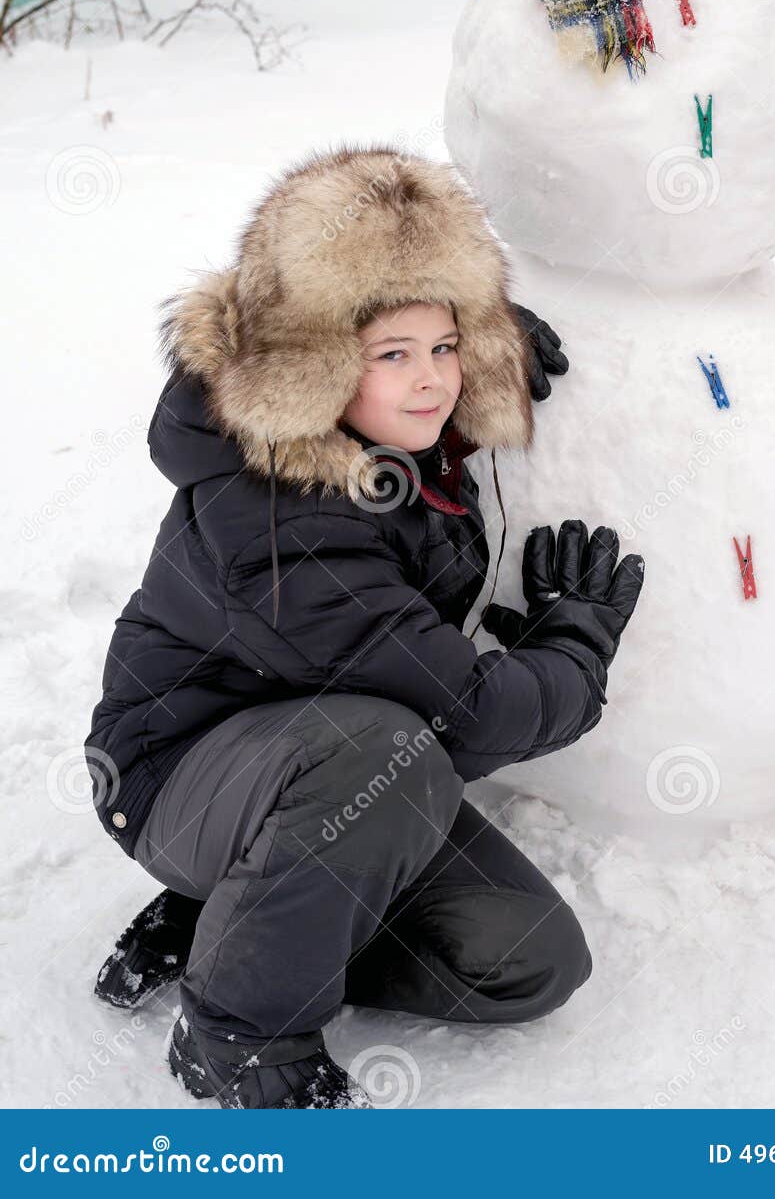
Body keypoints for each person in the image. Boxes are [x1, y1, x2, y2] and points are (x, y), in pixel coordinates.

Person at [85, 144, 645, 1109]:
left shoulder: (383, 446)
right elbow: (464, 716)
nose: (430, 380)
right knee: (386, 744)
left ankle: (235, 923)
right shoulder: (277, 514)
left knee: (527, 961)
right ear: (314, 368)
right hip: (179, 775)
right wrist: (575, 648)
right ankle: (235, 1038)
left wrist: (486, 339)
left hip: (321, 767)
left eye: (444, 346)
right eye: (392, 355)